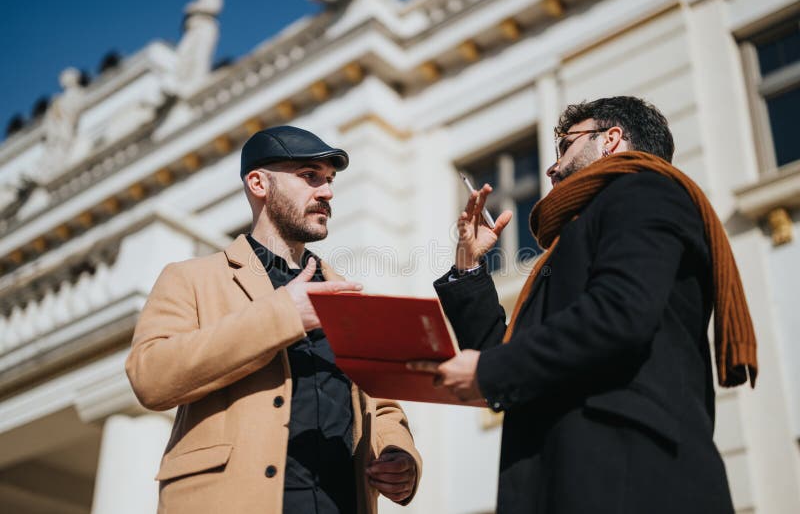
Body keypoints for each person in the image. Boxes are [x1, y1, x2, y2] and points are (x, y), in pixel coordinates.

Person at [411, 97, 757, 513]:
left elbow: (620, 314)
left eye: (564, 145)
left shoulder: (644, 189)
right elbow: (507, 355)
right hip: (572, 475)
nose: (551, 166)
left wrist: (488, 370)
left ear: (610, 140)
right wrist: (469, 264)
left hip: (631, 476)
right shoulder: (577, 234)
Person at [126, 125, 421, 514]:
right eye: (309, 177)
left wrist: (398, 454)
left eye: (329, 180)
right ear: (258, 183)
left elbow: (381, 406)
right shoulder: (190, 277)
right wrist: (284, 314)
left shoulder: (345, 294)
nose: (327, 192)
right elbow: (151, 376)